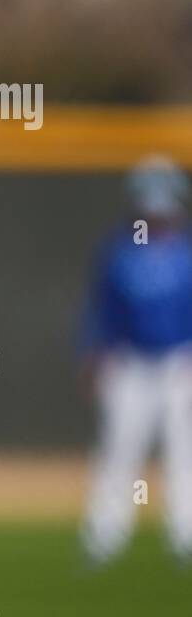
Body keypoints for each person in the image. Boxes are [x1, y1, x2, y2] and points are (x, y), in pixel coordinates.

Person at [78, 154, 192, 566]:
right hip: (130, 365)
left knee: (185, 453)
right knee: (119, 451)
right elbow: (101, 312)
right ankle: (104, 538)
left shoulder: (187, 253)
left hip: (181, 363)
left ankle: (185, 536)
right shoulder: (119, 252)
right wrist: (93, 356)